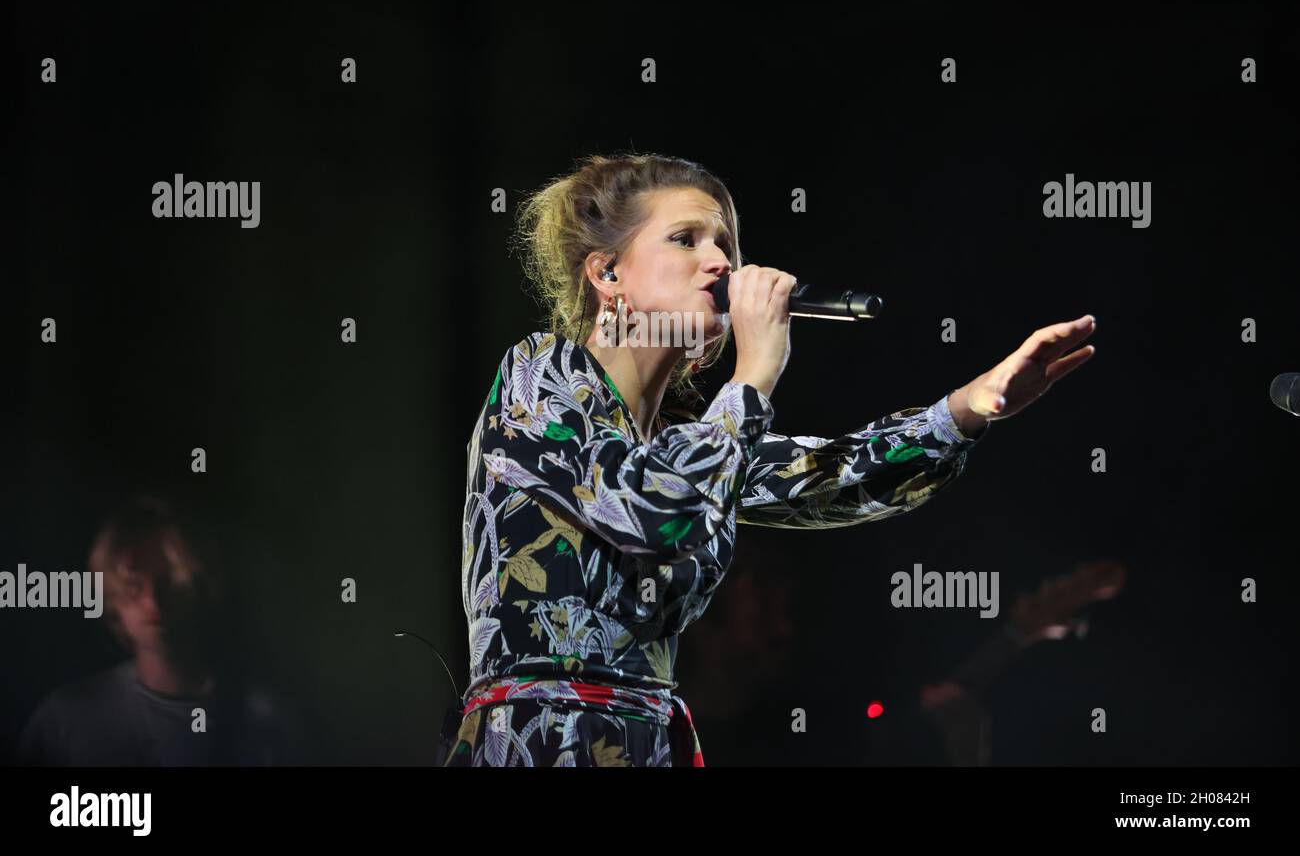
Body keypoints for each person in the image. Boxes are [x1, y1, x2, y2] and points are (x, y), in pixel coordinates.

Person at [444, 152, 1097, 766]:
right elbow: (652, 509)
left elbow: (831, 478)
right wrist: (755, 371)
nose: (720, 263)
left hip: (649, 743)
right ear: (607, 272)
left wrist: (967, 406)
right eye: (686, 239)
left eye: (725, 244)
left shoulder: (695, 441)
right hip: (540, 740)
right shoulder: (541, 377)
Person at [17, 496, 298, 766]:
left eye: (169, 582)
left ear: (199, 585)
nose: (153, 602)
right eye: (133, 586)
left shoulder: (264, 722)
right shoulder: (66, 719)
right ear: (111, 598)